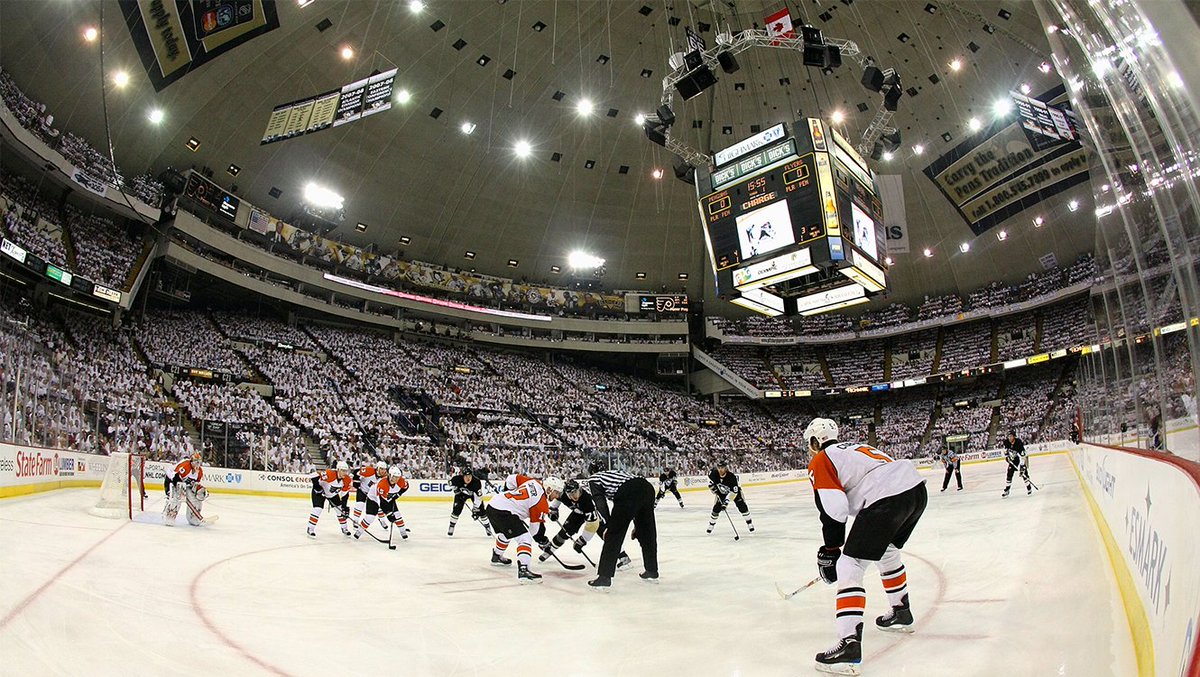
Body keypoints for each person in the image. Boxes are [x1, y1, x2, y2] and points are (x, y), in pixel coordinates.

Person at [804, 417, 927, 675]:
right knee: (889, 551)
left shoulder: (821, 459)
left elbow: (834, 508)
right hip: (915, 491)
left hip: (887, 498)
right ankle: (901, 611)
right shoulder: (853, 448)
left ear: (816, 441)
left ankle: (849, 645)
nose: (809, 448)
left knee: (850, 564)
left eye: (809, 443)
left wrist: (831, 550)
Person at [585, 461, 658, 590]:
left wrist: (608, 525)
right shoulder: (615, 473)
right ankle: (651, 571)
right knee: (647, 533)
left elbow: (600, 503)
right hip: (647, 488)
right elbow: (636, 496)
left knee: (613, 536)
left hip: (628, 491)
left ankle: (604, 577)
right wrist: (638, 526)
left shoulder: (594, 478)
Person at [486, 475, 562, 584]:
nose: (557, 496)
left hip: (493, 504)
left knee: (505, 533)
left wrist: (509, 496)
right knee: (525, 539)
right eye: (556, 492)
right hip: (504, 512)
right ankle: (524, 570)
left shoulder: (533, 482)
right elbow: (534, 531)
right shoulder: (541, 503)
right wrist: (541, 541)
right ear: (549, 489)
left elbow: (511, 479)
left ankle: (497, 556)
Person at [539, 479, 631, 569]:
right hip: (578, 512)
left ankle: (623, 556)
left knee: (605, 534)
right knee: (564, 532)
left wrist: (583, 540)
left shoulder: (587, 500)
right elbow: (558, 498)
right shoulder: (562, 492)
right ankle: (550, 550)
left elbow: (592, 525)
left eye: (577, 492)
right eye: (572, 494)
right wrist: (554, 510)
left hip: (594, 512)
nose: (575, 496)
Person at [354, 465, 410, 541]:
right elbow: (381, 502)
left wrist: (398, 494)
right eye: (394, 477)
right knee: (370, 517)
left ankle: (403, 532)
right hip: (373, 498)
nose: (396, 479)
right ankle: (359, 532)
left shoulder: (401, 481)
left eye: (398, 477)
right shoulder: (382, 484)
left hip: (388, 499)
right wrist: (388, 514)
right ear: (390, 475)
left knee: (397, 514)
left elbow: (406, 487)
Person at [308, 461, 353, 538]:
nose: (344, 473)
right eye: (342, 470)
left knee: (340, 511)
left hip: (333, 495)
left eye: (346, 471)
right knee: (317, 509)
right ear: (338, 469)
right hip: (319, 493)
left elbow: (345, 494)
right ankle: (310, 528)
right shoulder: (330, 473)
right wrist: (318, 488)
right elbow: (313, 476)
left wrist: (344, 506)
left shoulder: (347, 480)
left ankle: (344, 528)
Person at [706, 461, 754, 534]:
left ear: (726, 468)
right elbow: (710, 482)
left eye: (722, 468)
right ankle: (711, 525)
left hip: (734, 493)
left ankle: (749, 523)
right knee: (716, 508)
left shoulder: (732, 477)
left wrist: (726, 502)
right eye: (719, 468)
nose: (720, 470)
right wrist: (712, 488)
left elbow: (733, 492)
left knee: (742, 506)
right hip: (721, 493)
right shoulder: (713, 473)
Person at [447, 467, 492, 537]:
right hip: (461, 495)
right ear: (463, 476)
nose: (468, 478)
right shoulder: (457, 479)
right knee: (456, 509)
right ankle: (452, 526)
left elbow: (478, 497)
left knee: (482, 511)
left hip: (473, 495)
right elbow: (449, 484)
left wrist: (475, 509)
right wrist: (455, 489)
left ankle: (487, 526)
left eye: (470, 476)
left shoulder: (476, 482)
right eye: (466, 476)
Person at [163, 451, 204, 527]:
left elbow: (195, 484)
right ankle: (170, 515)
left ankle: (193, 517)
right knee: (177, 497)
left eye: (199, 462)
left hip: (184, 484)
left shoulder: (200, 472)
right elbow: (175, 478)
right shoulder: (185, 466)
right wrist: (182, 491)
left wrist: (199, 491)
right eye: (196, 462)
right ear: (191, 461)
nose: (197, 464)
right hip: (172, 480)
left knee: (195, 499)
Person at [352, 460, 387, 526]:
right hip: (362, 490)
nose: (383, 471)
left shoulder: (385, 477)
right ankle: (355, 520)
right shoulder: (369, 470)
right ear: (377, 468)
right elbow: (356, 472)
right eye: (381, 469)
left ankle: (382, 520)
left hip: (373, 494)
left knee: (379, 506)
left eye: (384, 469)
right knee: (360, 504)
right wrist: (356, 482)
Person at [1001, 430, 1033, 497]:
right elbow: (1006, 451)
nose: (1009, 438)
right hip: (1013, 460)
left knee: (1024, 474)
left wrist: (1022, 466)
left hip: (1021, 459)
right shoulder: (1006, 442)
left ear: (1014, 437)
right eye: (1008, 436)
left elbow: (1023, 456)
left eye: (1011, 436)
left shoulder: (1019, 443)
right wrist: (1007, 457)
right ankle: (1007, 490)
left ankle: (1029, 488)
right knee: (1009, 474)